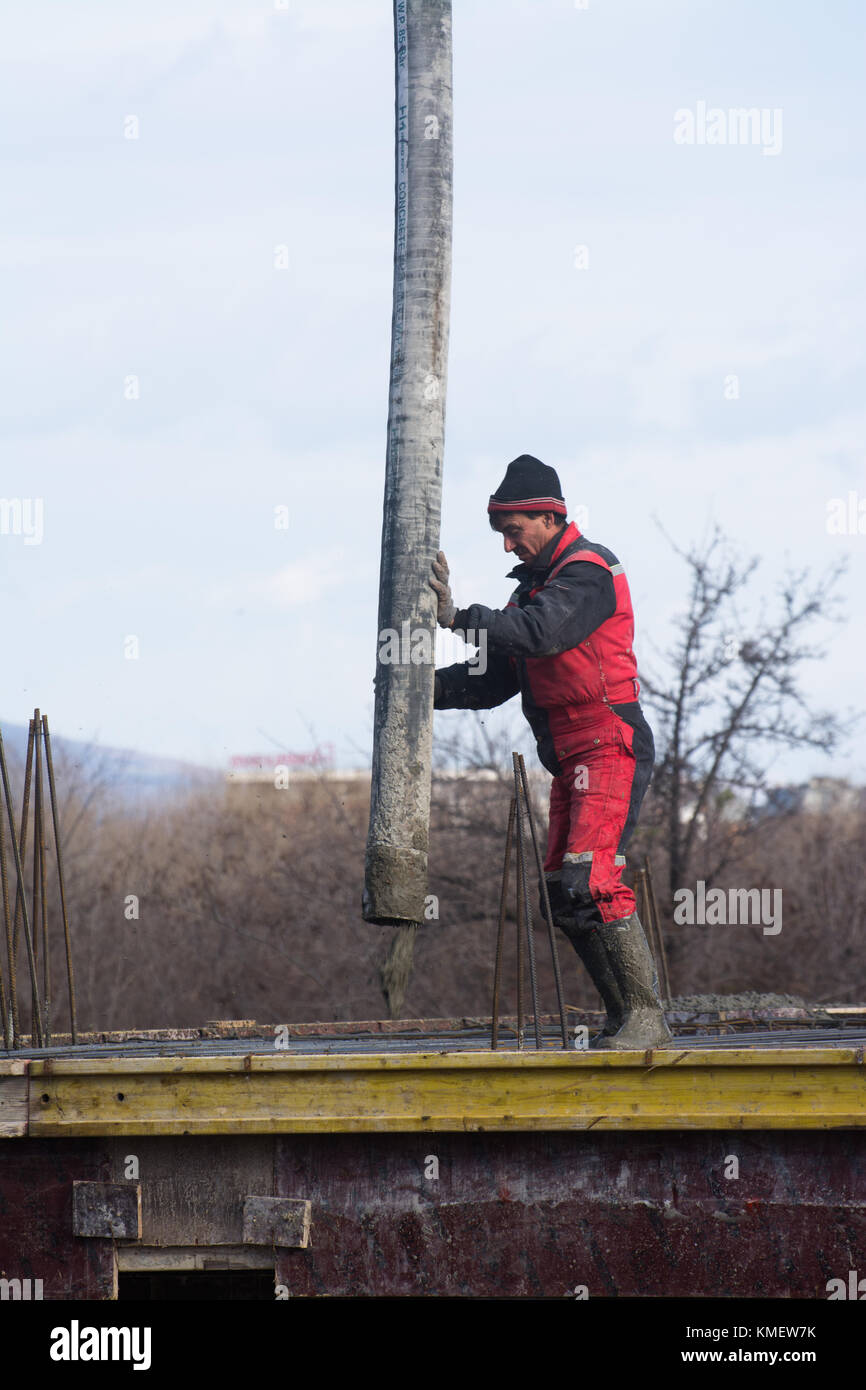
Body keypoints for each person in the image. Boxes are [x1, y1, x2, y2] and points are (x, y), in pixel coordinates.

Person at [430, 453, 671, 1049]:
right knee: (566, 893)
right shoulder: (534, 593)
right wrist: (417, 688)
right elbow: (495, 679)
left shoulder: (589, 573)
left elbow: (542, 633)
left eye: (514, 531)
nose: (508, 546)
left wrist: (458, 616)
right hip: (572, 757)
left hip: (610, 741)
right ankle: (625, 1018)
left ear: (549, 516)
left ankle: (648, 1018)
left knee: (591, 876)